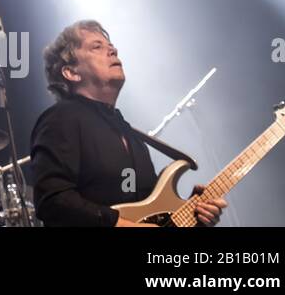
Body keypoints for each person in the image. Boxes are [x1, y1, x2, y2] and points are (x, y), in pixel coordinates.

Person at [31, 20, 226, 227]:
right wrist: (121, 225)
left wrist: (191, 215)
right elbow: (52, 201)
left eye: (111, 45)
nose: (112, 50)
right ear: (71, 73)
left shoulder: (130, 135)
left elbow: (144, 209)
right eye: (97, 47)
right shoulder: (60, 119)